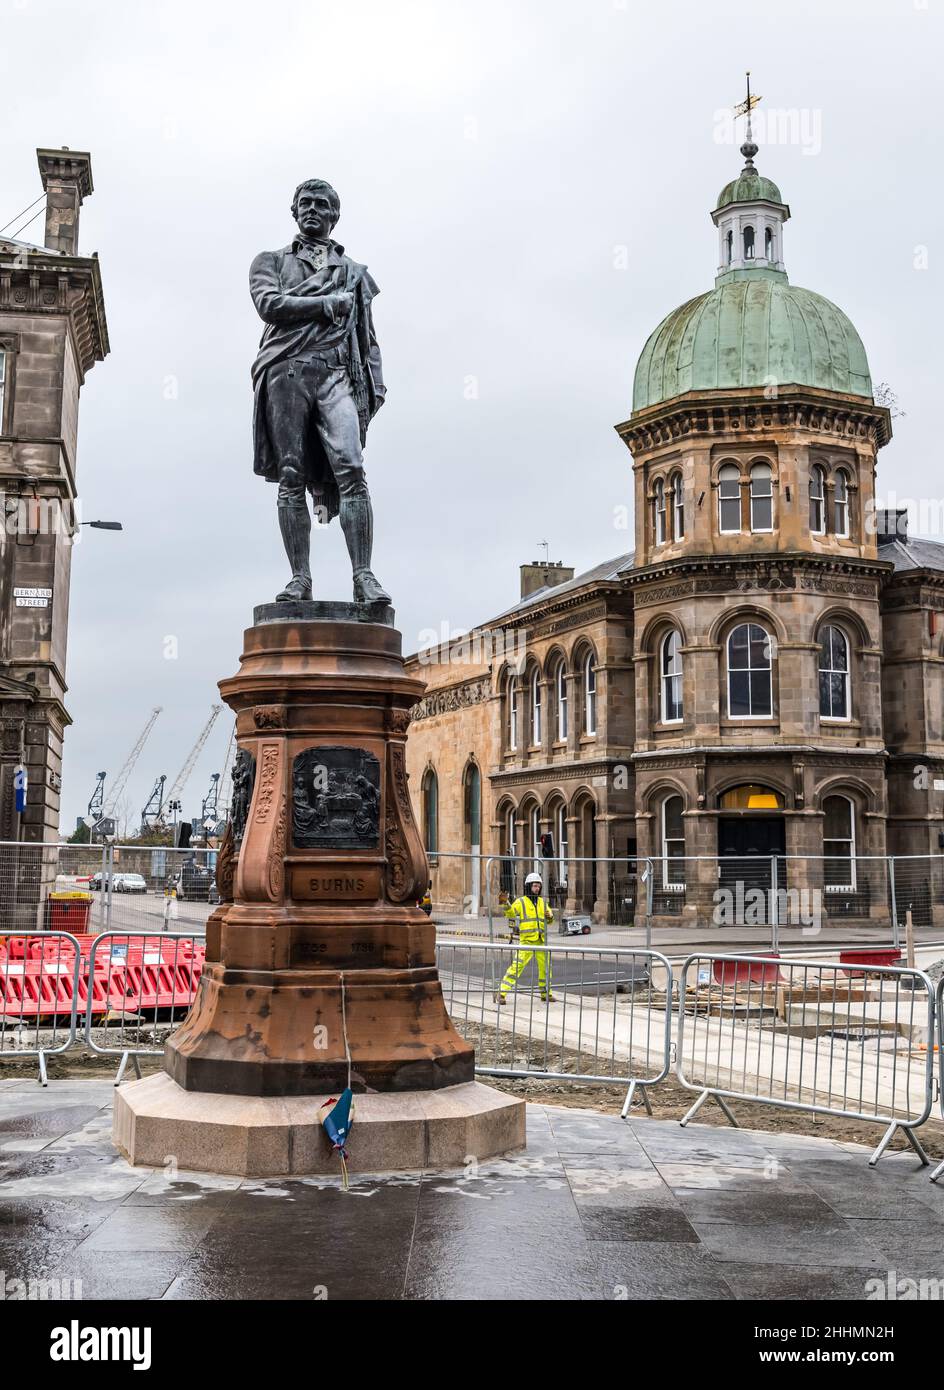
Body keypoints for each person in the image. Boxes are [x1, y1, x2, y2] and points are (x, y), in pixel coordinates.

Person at [249, 178, 390, 606]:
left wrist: (375, 387)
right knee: (291, 474)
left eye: (321, 204)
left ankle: (363, 576)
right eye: (305, 203)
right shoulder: (269, 260)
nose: (312, 209)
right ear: (294, 211)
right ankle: (299, 579)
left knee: (351, 467)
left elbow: (368, 338)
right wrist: (325, 304)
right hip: (286, 371)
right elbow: (269, 305)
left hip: (336, 373)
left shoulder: (355, 273)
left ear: (334, 215)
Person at [495, 872, 556, 1005]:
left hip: (541, 941)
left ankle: (546, 994)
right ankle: (501, 992)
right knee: (517, 967)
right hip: (526, 941)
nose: (537, 888)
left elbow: (550, 920)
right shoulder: (521, 902)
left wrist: (550, 916)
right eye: (534, 886)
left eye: (538, 886)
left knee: (545, 969)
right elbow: (510, 913)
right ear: (528, 887)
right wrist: (505, 903)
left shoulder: (542, 902)